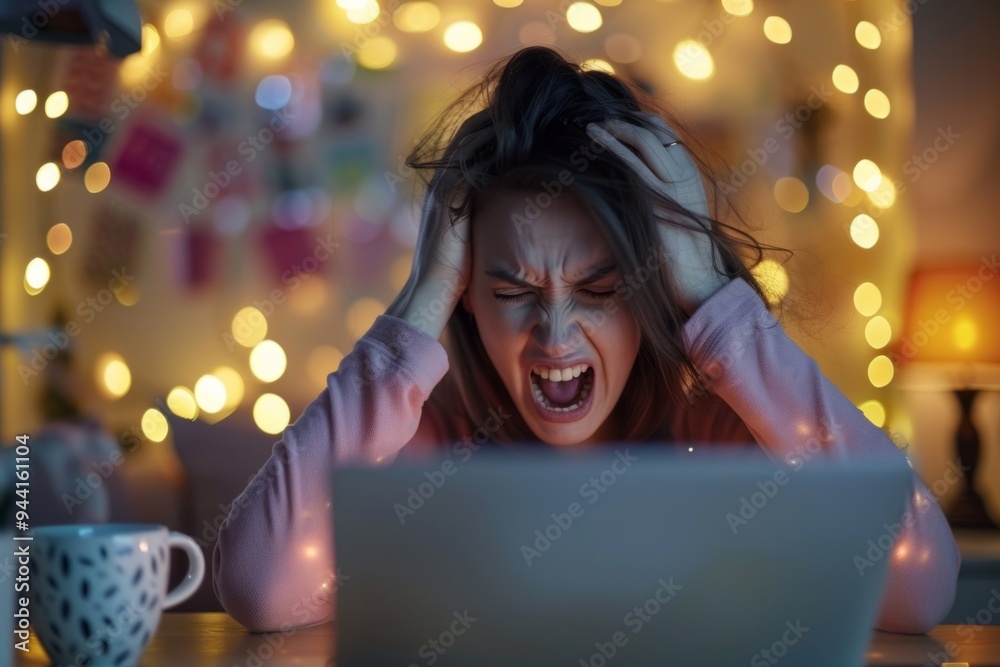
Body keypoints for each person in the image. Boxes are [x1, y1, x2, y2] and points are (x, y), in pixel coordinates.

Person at [212, 46, 959, 635]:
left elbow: (917, 585)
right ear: (467, 296)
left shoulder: (730, 443)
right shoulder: (419, 449)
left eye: (602, 291)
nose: (556, 334)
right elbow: (259, 585)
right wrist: (418, 305)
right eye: (512, 293)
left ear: (652, 291)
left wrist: (707, 295)